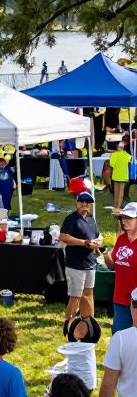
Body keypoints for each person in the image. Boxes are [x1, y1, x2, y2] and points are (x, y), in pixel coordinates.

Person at [59, 191, 102, 324]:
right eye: (81, 201)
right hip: (75, 264)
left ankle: (89, 324)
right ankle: (69, 325)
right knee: (75, 297)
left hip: (90, 262)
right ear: (77, 203)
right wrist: (84, 242)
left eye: (87, 202)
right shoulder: (71, 218)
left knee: (88, 294)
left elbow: (98, 235)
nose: (84, 204)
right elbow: (63, 237)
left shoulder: (91, 218)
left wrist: (98, 242)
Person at [104, 203, 137, 333]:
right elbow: (112, 266)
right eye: (123, 217)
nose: (124, 221)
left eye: (129, 218)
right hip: (120, 298)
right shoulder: (121, 239)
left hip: (135, 302)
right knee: (119, 337)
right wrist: (105, 254)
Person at [110, 138, 132, 210]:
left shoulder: (114, 154)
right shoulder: (128, 155)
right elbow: (129, 161)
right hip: (124, 175)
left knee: (116, 190)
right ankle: (119, 206)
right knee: (121, 191)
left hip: (116, 174)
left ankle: (115, 204)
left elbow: (112, 164)